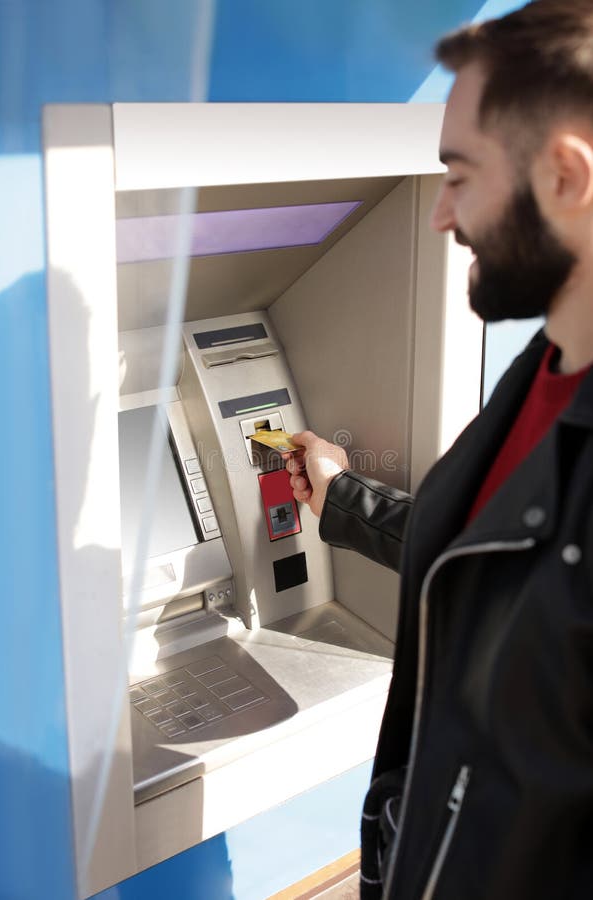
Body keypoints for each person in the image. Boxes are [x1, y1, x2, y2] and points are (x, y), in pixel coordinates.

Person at [282, 2, 593, 898]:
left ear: (566, 176)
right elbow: (501, 561)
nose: (437, 214)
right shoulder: (544, 366)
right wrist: (343, 502)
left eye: (460, 175)